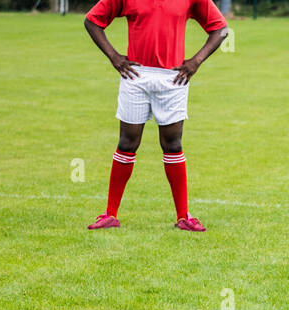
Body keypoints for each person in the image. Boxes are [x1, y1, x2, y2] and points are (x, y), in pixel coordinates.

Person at [84, 0, 229, 232]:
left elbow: (221, 28)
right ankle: (110, 214)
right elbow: (92, 20)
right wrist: (114, 57)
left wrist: (196, 61)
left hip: (173, 78)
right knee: (127, 142)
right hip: (135, 74)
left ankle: (183, 217)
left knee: (172, 145)